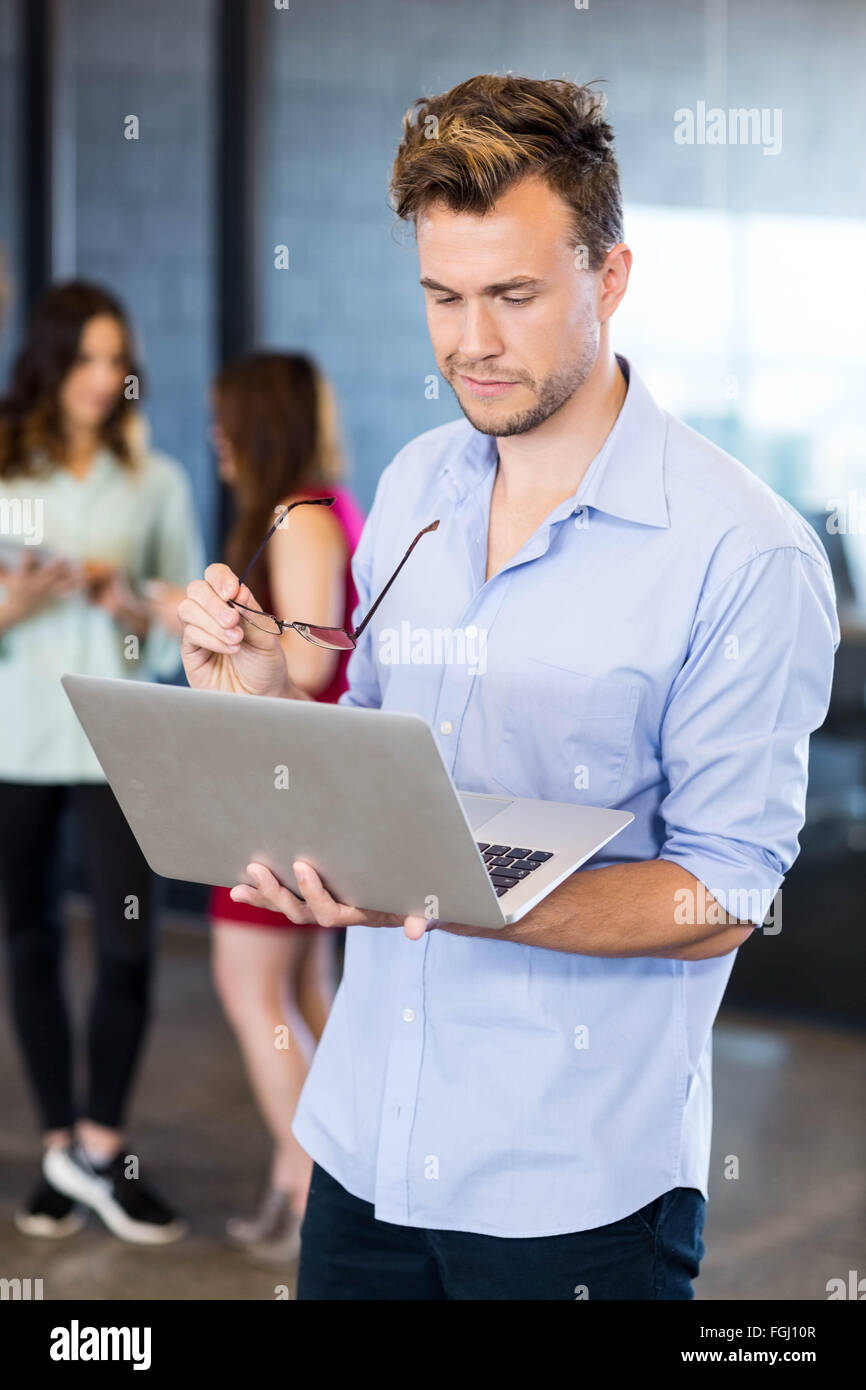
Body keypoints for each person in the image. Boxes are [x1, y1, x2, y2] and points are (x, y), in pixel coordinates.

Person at [175, 75, 839, 1299]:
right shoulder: (420, 482)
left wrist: (442, 885)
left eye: (512, 296)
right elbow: (367, 758)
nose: (468, 341)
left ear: (611, 275)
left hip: (574, 1190)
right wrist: (266, 692)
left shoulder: (739, 552)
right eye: (441, 294)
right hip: (364, 1151)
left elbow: (729, 888)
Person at [0, 281, 204, 1243]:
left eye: (115, 358)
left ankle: (102, 1148)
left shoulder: (156, 479)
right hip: (15, 741)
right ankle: (57, 1151)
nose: (102, 377)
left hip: (118, 741)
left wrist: (131, 604)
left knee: (126, 948)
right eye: (84, 358)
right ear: (49, 363)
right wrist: (16, 604)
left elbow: (187, 623)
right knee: (27, 939)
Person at [206, 353, 364, 1263]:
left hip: (279, 781)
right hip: (303, 777)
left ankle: (313, 1188)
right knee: (306, 988)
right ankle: (306, 1173)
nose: (219, 440)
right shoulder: (324, 510)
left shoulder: (295, 517)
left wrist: (232, 645)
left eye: (228, 422)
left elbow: (303, 665)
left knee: (248, 985)